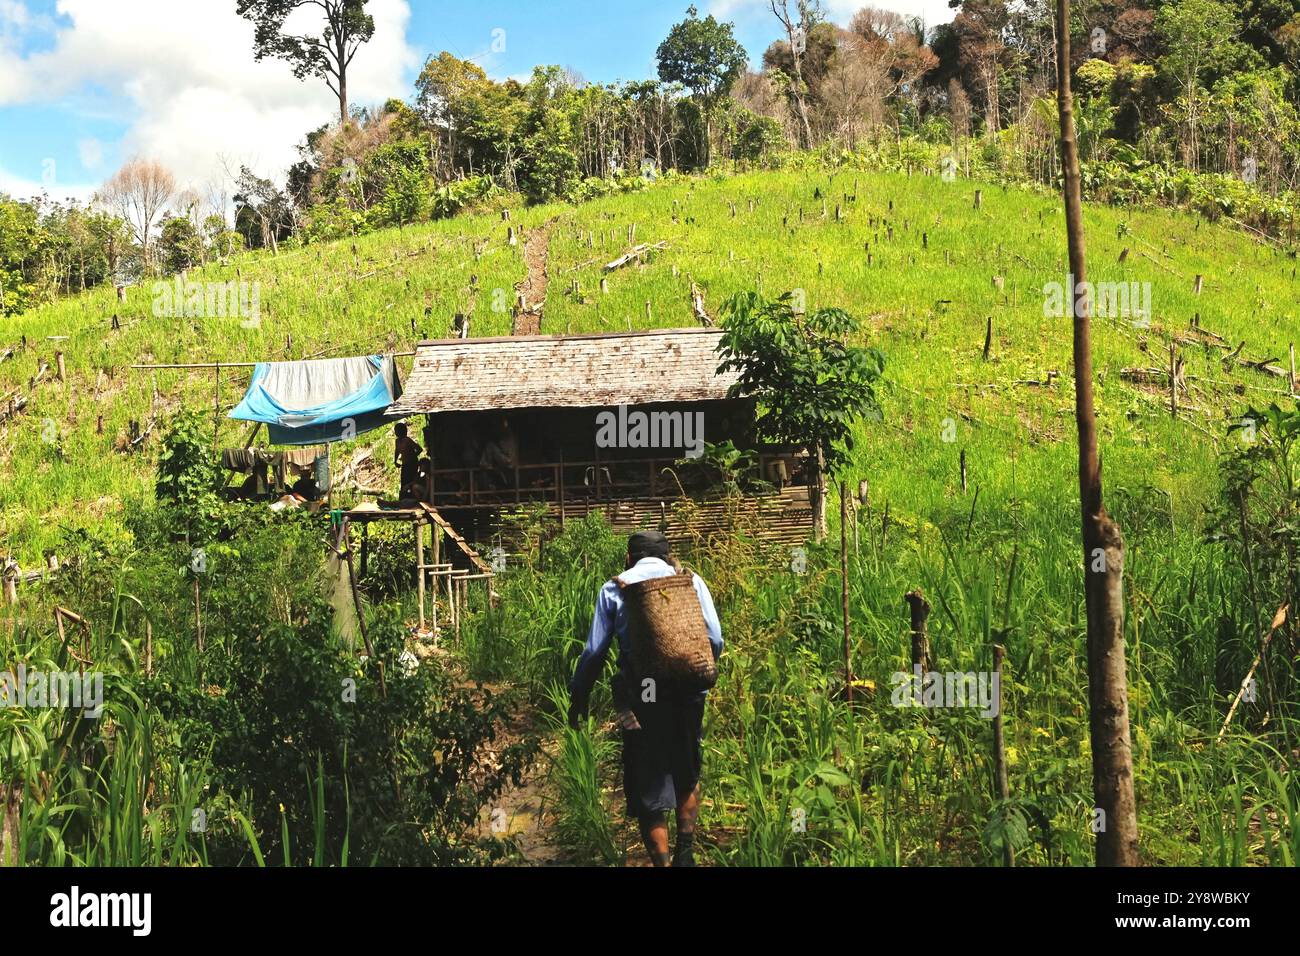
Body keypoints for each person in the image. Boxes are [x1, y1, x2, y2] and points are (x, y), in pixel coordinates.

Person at [568, 531, 723, 867]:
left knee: (649, 778)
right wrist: (699, 676)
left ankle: (663, 863)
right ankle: (685, 852)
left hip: (647, 690)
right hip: (687, 690)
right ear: (669, 557)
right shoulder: (690, 581)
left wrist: (579, 694)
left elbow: (595, 652)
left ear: (629, 558)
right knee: (687, 770)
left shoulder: (616, 587)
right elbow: (715, 637)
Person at [394, 422, 423, 499]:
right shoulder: (397, 441)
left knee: (410, 481)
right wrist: (395, 461)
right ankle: (403, 500)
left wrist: (412, 456)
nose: (395, 432)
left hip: (412, 464)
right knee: (403, 482)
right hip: (405, 464)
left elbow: (419, 449)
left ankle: (412, 499)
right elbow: (397, 451)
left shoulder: (407, 440)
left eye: (396, 430)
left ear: (401, 431)